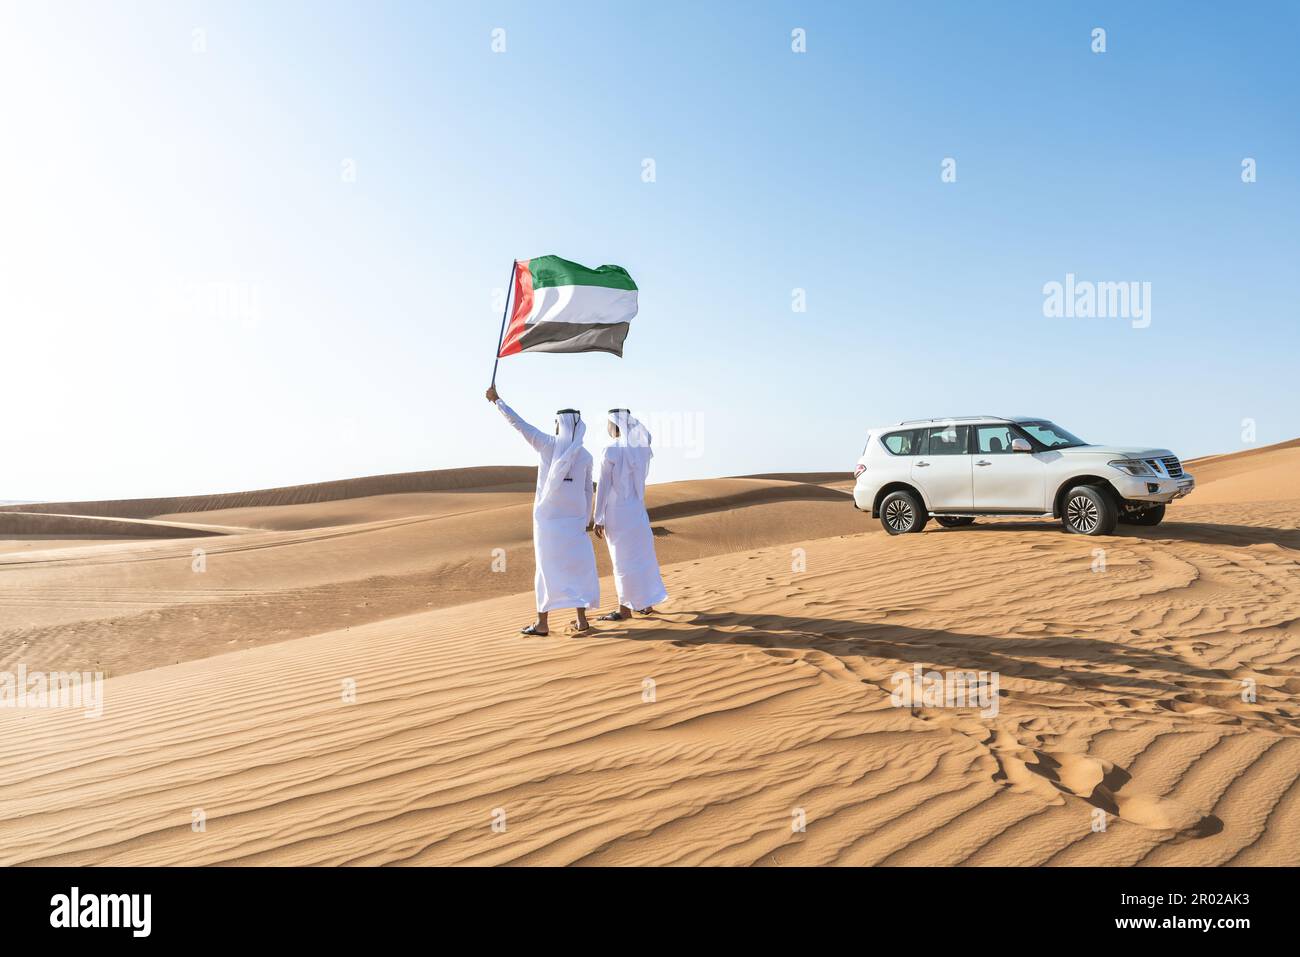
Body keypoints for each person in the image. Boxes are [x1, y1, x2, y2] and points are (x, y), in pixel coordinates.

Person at [486, 385, 599, 635]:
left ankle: (543, 623)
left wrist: (498, 402)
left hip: (548, 523)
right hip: (574, 524)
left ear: (559, 424)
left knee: (546, 570)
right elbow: (588, 491)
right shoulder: (586, 456)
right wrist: (587, 518)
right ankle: (581, 621)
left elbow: (520, 425)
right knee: (577, 569)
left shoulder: (547, 444)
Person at [592, 408, 668, 621]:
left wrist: (598, 518)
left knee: (621, 560)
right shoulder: (640, 448)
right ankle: (647, 604)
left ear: (613, 425)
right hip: (637, 510)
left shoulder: (611, 450)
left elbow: (604, 486)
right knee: (642, 556)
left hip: (617, 512)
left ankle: (624, 610)